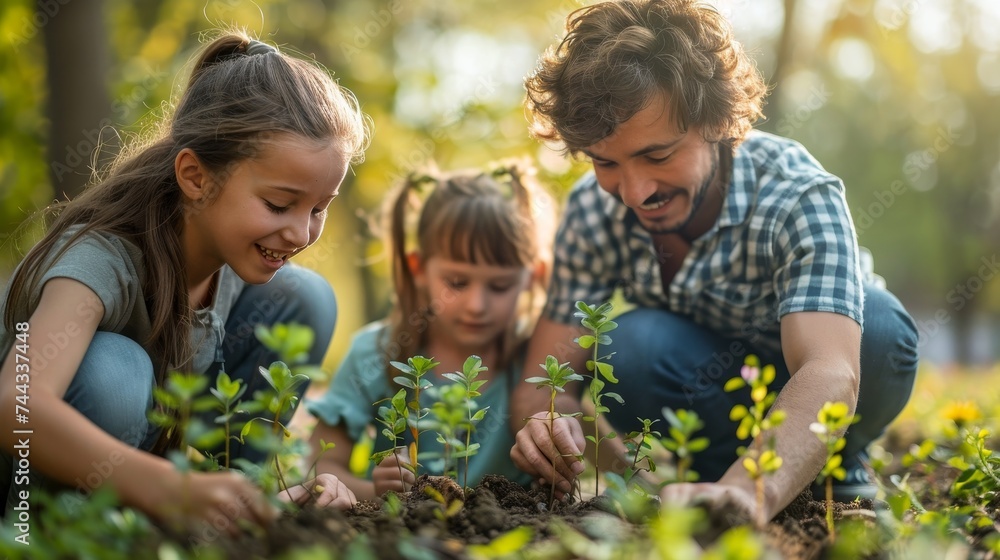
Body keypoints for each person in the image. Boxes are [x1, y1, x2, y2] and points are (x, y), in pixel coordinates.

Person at [509, 0, 919, 522]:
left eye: (658, 156)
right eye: (606, 162)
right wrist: (549, 423)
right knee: (628, 344)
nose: (634, 192)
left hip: (812, 383)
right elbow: (543, 384)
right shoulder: (593, 212)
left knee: (879, 329)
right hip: (703, 389)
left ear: (719, 122)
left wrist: (753, 489)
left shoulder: (796, 193)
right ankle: (713, 478)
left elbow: (830, 367)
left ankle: (834, 468)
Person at [0, 32, 370, 530]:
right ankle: (64, 536)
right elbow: (15, 405)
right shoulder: (99, 258)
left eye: (319, 208)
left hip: (148, 482)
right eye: (279, 205)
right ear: (195, 177)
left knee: (306, 295)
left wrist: (292, 487)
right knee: (116, 371)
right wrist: (171, 490)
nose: (301, 232)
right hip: (23, 497)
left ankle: (239, 511)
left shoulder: (232, 260)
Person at [306, 162, 554, 500]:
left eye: (499, 285)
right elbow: (321, 464)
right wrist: (378, 493)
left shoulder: (538, 357)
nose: (476, 305)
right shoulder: (376, 352)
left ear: (533, 275)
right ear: (418, 268)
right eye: (456, 283)